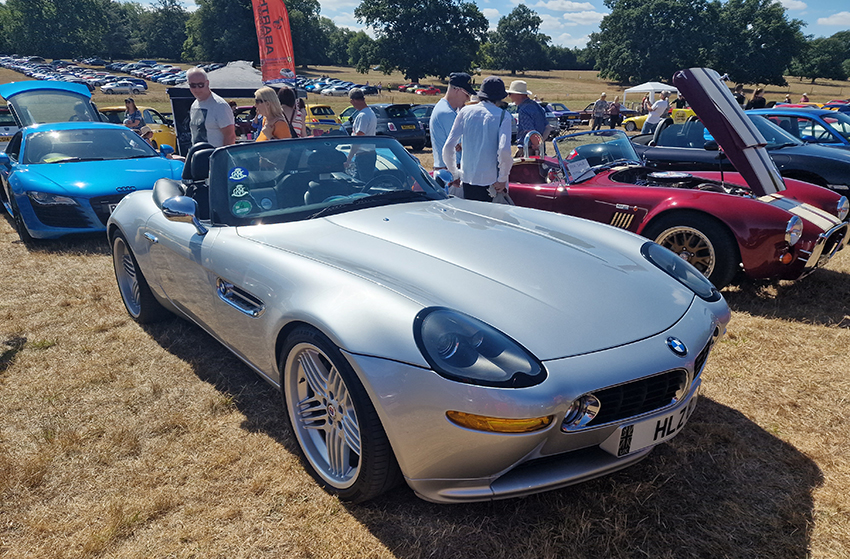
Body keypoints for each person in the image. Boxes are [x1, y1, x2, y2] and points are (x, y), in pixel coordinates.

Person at [442, 76, 513, 202]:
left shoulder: (465, 111)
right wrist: (503, 178)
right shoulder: (503, 116)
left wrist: (454, 173)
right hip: (491, 181)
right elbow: (504, 151)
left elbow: (448, 146)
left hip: (467, 178)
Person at [430, 72, 475, 173]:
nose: (468, 99)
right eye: (467, 94)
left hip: (446, 169)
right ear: (457, 90)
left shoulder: (443, 108)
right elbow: (466, 145)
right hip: (451, 171)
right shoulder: (447, 113)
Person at [186, 67, 236, 147]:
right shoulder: (194, 104)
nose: (197, 89)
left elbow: (230, 136)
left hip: (215, 156)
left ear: (207, 83)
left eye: (200, 85)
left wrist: (221, 158)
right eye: (193, 85)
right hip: (197, 156)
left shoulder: (220, 105)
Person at [506, 80, 549, 155]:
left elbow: (530, 132)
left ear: (518, 94)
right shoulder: (537, 106)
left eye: (510, 93)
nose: (509, 96)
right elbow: (547, 127)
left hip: (528, 150)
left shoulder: (523, 110)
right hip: (540, 148)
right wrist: (541, 144)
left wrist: (536, 145)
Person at [345, 88, 377, 181]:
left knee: (361, 181)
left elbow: (359, 137)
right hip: (370, 153)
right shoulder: (370, 112)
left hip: (363, 155)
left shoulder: (362, 116)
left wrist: (349, 158)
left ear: (353, 100)